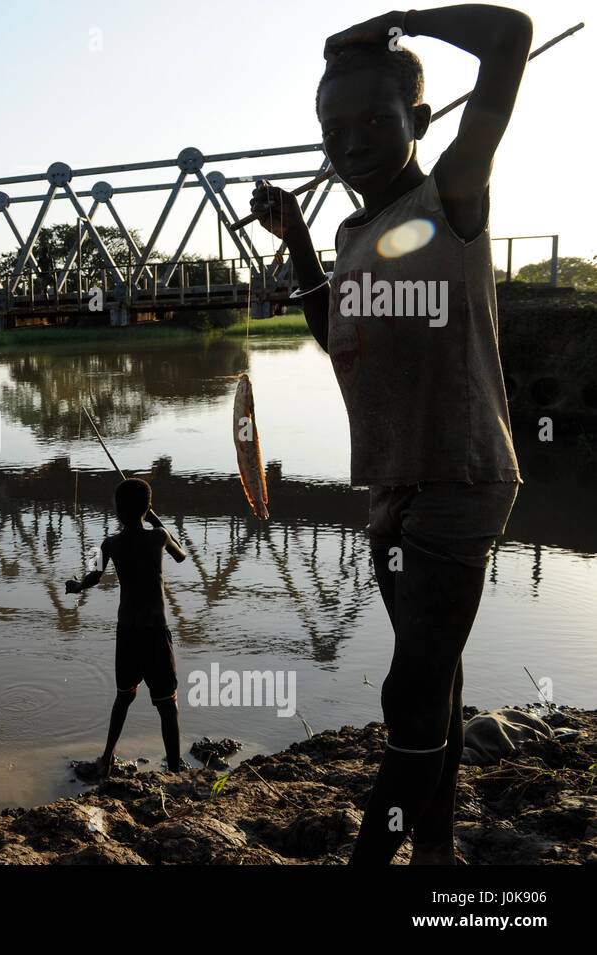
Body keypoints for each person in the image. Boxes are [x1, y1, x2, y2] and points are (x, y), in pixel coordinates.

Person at [249, 4, 529, 865]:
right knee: (431, 682)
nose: (354, 138)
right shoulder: (351, 232)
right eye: (336, 126)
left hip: (460, 472)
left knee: (407, 690)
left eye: (377, 118)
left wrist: (403, 18)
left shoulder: (450, 194)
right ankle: (436, 853)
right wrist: (298, 239)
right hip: (390, 486)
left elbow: (510, 38)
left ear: (422, 120)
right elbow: (337, 331)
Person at [66, 478, 182, 778]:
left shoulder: (110, 543)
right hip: (156, 632)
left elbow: (91, 576)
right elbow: (180, 554)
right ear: (147, 507)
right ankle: (175, 768)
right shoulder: (158, 537)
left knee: (123, 697)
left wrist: (76, 586)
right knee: (167, 706)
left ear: (117, 510)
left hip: (128, 632)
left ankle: (106, 758)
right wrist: (155, 518)